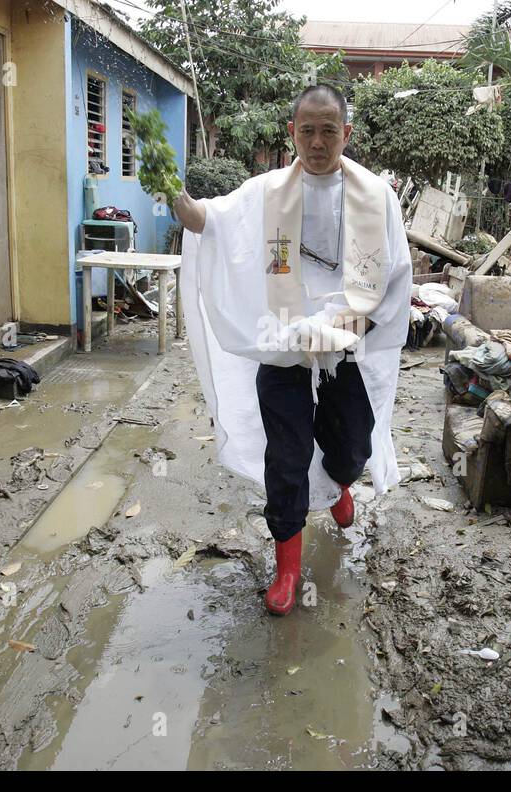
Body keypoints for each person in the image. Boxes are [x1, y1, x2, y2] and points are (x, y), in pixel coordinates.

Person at [174, 85, 412, 615]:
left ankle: (339, 485)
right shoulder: (266, 191)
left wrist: (348, 326)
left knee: (351, 446)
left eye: (329, 130)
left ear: (346, 134)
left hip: (344, 348)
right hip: (282, 346)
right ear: (292, 133)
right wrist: (174, 194)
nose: (318, 141)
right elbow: (210, 222)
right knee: (286, 459)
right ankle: (286, 570)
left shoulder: (376, 196)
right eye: (308, 130)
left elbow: (394, 275)